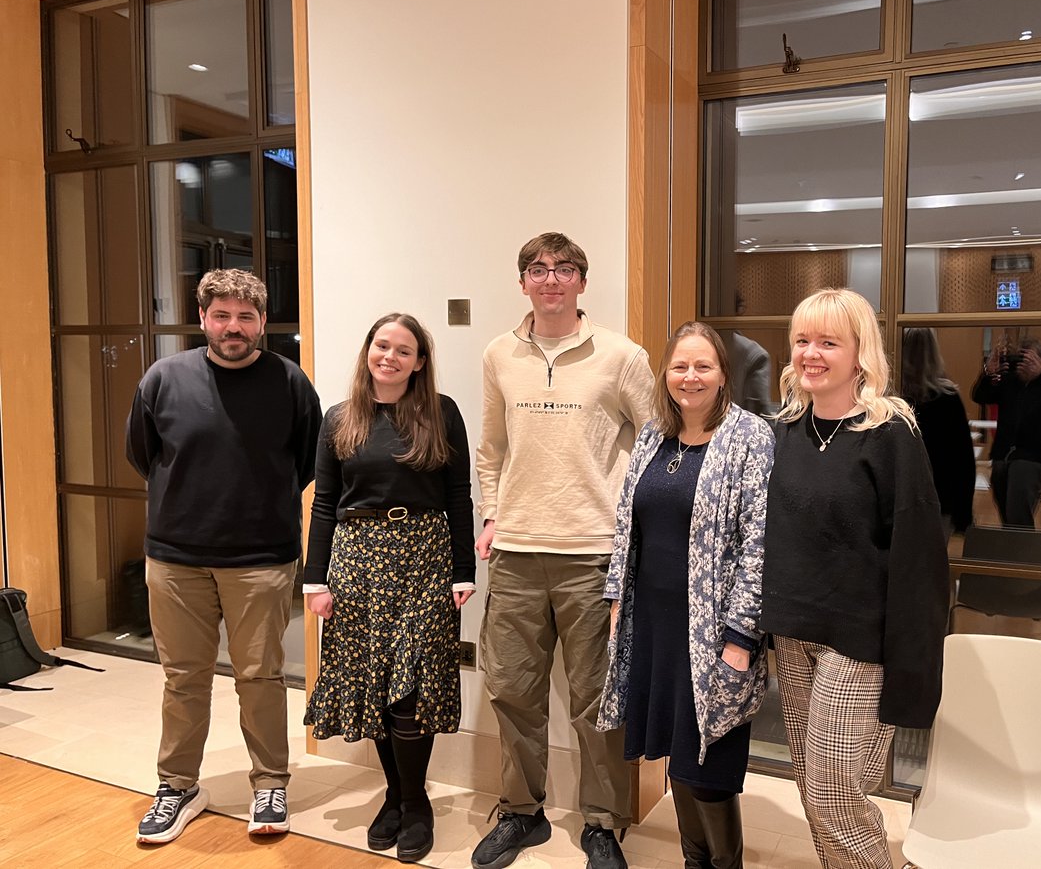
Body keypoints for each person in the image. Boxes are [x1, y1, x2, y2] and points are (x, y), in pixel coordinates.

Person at [472, 231, 654, 869]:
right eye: (538, 269)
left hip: (594, 554)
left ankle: (602, 822)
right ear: (523, 281)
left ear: (582, 280)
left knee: (597, 697)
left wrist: (635, 533)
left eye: (564, 268)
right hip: (516, 552)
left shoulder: (622, 356)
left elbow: (654, 444)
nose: (551, 279)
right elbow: (491, 447)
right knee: (511, 691)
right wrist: (491, 513)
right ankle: (521, 814)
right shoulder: (499, 354)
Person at [126, 268, 322, 845]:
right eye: (221, 315)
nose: (232, 327)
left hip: (261, 559)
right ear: (203, 318)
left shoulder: (289, 382)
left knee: (260, 677)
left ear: (261, 322)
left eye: (245, 316)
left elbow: (307, 461)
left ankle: (271, 783)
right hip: (174, 559)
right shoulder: (164, 378)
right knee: (183, 678)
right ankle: (178, 786)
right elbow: (143, 454)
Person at [761, 288, 948, 869]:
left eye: (828, 342)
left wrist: (913, 660)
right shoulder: (783, 431)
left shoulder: (890, 434)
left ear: (859, 352)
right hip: (794, 634)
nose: (810, 354)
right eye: (802, 341)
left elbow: (919, 556)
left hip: (860, 641)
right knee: (810, 787)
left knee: (835, 794)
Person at [598, 322, 774, 869]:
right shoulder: (654, 434)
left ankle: (725, 865)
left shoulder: (749, 437)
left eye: (703, 366)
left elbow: (760, 542)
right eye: (680, 366)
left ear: (723, 375)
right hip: (654, 624)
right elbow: (628, 524)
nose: (690, 377)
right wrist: (616, 600)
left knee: (710, 768)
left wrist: (741, 637)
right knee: (678, 758)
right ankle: (694, 862)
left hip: (713, 632)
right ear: (666, 374)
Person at [302, 313, 474, 861]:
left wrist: (464, 570)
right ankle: (395, 797)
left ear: (419, 362)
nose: (390, 357)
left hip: (425, 558)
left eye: (404, 350)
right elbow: (324, 503)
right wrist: (314, 580)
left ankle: (416, 802)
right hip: (358, 562)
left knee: (413, 689)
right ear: (368, 351)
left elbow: (459, 495)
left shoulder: (441, 413)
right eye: (382, 346)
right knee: (375, 684)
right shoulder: (340, 418)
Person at [970, 336, 1041, 528]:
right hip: (1003, 455)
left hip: (1033, 456)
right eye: (1019, 358)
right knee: (1007, 514)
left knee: (1018, 514)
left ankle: (1020, 545)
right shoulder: (1008, 382)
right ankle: (1014, 544)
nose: (1023, 364)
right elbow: (979, 396)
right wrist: (988, 373)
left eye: (1029, 358)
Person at [901, 328, 975, 540]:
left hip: (901, 495)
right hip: (941, 494)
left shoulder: (892, 398)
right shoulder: (948, 398)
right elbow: (963, 459)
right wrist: (964, 513)